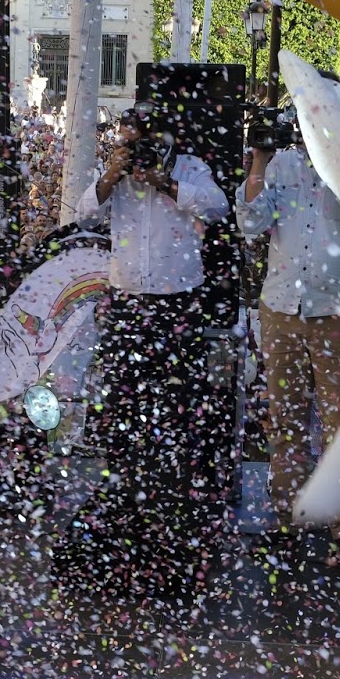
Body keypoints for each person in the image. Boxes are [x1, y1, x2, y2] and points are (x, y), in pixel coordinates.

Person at [235, 117, 340, 535]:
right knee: (285, 416)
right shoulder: (283, 165)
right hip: (282, 306)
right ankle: (287, 516)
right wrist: (259, 160)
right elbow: (251, 223)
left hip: (339, 308)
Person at [77, 108, 227, 487]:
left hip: (176, 301)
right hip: (126, 301)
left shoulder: (190, 167)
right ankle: (123, 477)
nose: (140, 150)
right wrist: (112, 174)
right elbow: (84, 218)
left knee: (177, 392)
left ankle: (172, 475)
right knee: (121, 391)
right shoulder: (116, 171)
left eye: (146, 141)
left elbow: (217, 207)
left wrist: (167, 183)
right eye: (131, 141)